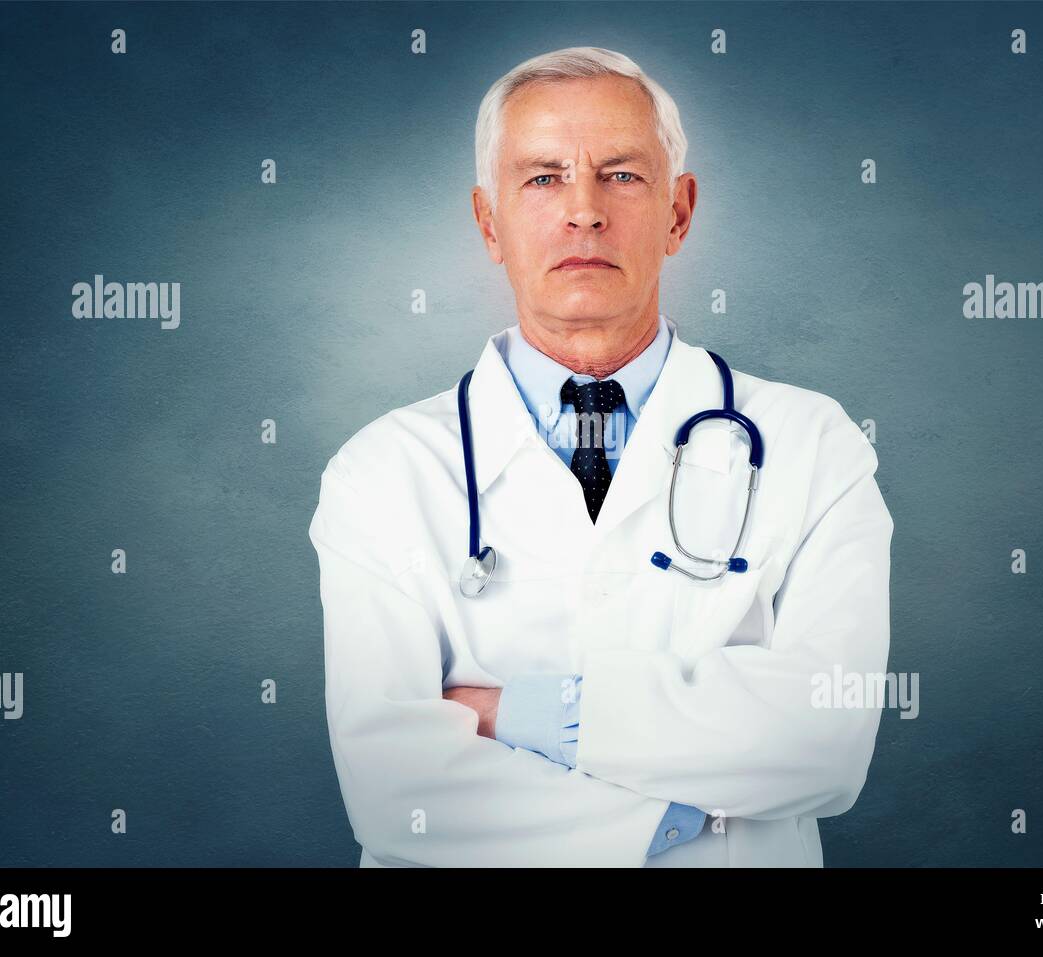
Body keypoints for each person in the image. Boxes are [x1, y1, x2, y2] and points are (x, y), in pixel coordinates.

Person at [307, 46, 894, 867]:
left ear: (680, 213)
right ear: (489, 223)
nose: (583, 210)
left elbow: (825, 739)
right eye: (543, 177)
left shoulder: (813, 444)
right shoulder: (381, 471)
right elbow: (391, 783)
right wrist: (670, 819)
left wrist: (518, 713)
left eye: (621, 175)